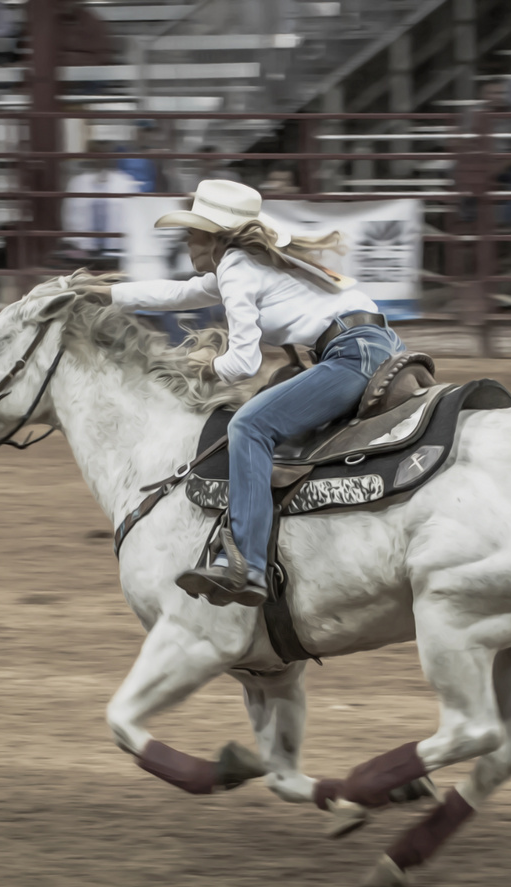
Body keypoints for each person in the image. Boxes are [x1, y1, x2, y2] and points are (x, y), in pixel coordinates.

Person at [76, 180, 404, 606]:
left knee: (248, 425)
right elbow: (179, 293)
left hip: (349, 355)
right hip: (373, 346)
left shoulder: (236, 267)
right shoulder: (250, 263)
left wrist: (205, 365)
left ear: (215, 236)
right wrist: (108, 294)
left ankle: (247, 564)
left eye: (192, 231)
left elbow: (243, 364)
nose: (187, 239)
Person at [63, 147, 141, 260]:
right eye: (98, 157)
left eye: (105, 157)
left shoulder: (125, 182)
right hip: (84, 247)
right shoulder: (78, 182)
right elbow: (68, 213)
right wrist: (74, 242)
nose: (102, 161)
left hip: (117, 247)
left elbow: (135, 216)